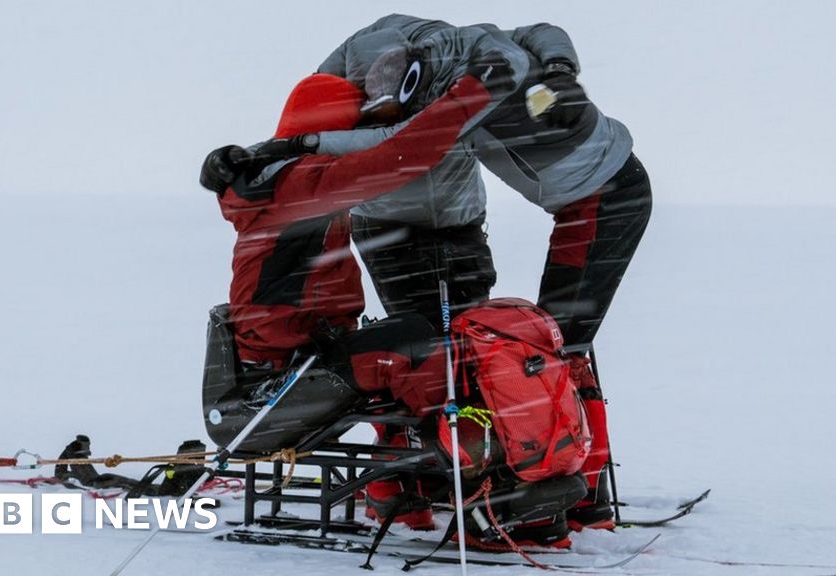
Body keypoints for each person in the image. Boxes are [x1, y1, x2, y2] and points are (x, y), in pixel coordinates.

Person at [221, 14, 651, 532]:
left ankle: (545, 482)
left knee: (522, 354)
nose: (377, 119)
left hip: (474, 223)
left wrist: (556, 68)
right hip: (385, 241)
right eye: (364, 114)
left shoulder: (469, 68)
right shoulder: (308, 174)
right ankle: (435, 486)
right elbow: (400, 151)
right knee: (447, 365)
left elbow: (414, 140)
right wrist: (293, 147)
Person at [199, 59, 510, 532]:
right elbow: (402, 156)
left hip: (302, 353)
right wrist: (471, 94)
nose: (365, 134)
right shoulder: (304, 181)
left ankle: (401, 489)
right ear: (332, 129)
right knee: (417, 355)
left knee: (399, 345)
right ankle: (471, 484)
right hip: (279, 381)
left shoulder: (278, 172)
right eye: (357, 126)